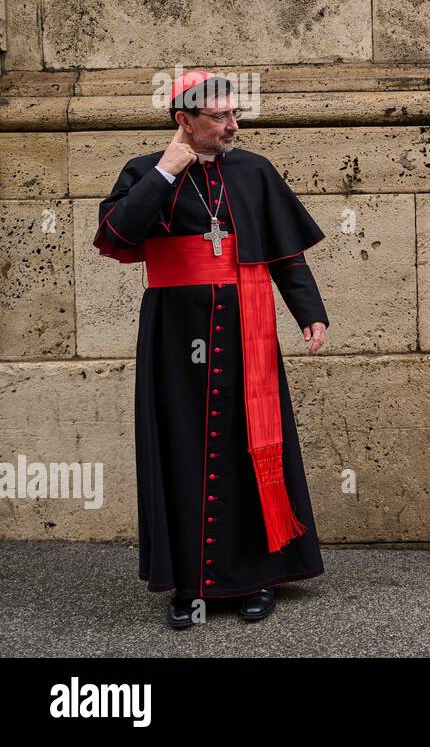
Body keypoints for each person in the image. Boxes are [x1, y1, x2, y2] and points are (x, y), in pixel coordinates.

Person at [92, 70, 330, 629]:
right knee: (181, 447)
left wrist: (309, 312)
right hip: (175, 336)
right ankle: (189, 586)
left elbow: (284, 254)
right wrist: (163, 173)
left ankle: (256, 577)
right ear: (185, 120)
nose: (233, 125)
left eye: (233, 114)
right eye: (220, 116)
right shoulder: (143, 172)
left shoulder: (254, 171)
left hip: (246, 326)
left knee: (250, 443)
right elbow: (117, 236)